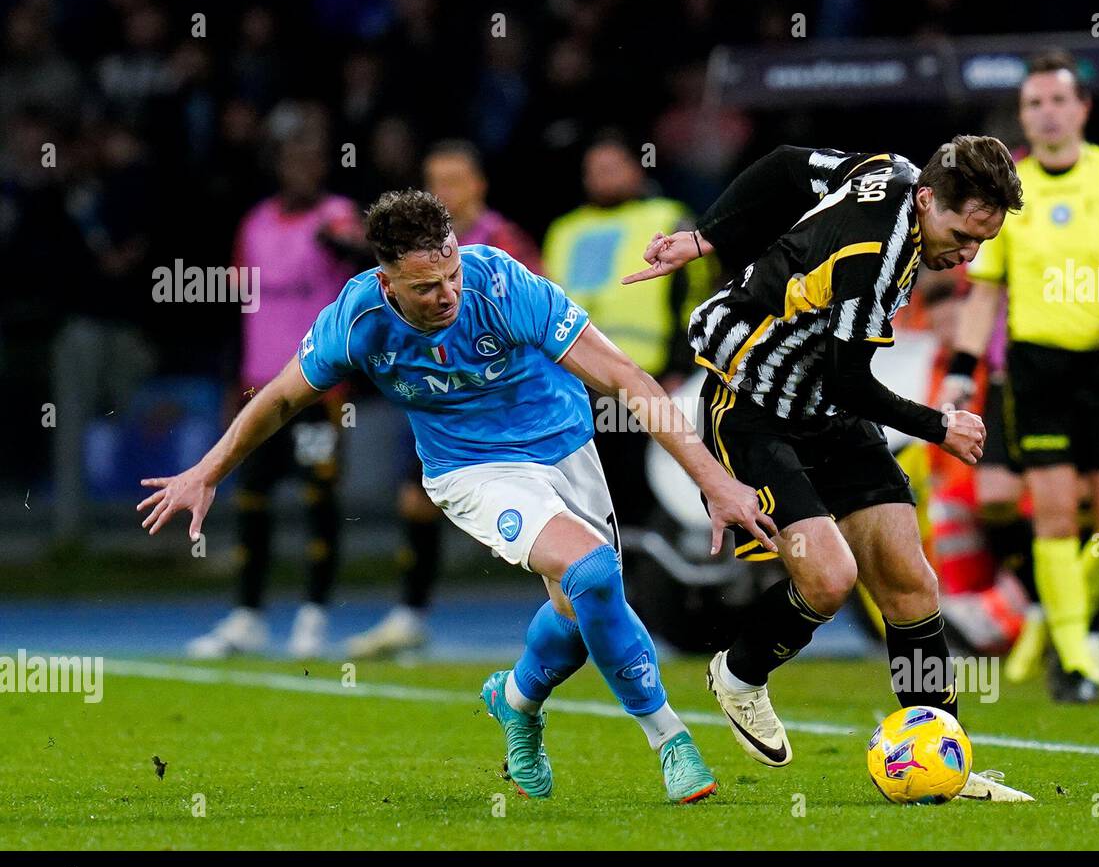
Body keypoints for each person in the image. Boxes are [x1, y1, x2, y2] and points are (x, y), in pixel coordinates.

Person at [138, 189, 776, 803]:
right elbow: (279, 396)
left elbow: (624, 378)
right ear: (387, 283)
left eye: (451, 276)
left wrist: (713, 480)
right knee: (592, 571)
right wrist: (208, 471)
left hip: (566, 449)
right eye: (424, 287)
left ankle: (518, 701)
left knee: (584, 612)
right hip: (471, 470)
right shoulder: (357, 318)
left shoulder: (502, 283)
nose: (446, 295)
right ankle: (669, 736)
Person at [625, 137, 1032, 801]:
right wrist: (940, 425)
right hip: (751, 403)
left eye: (984, 241)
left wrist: (707, 237)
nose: (967, 256)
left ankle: (942, 764)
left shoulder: (885, 169)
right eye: (961, 235)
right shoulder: (872, 255)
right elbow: (852, 382)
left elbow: (787, 163)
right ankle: (740, 671)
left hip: (824, 406)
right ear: (928, 201)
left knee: (909, 582)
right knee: (831, 577)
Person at [941, 51, 1099, 702]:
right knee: (1052, 517)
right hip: (1037, 368)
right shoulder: (1009, 190)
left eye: (1057, 100)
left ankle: (1051, 614)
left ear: (1082, 109)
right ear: (1023, 116)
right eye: (1034, 103)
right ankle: (1077, 663)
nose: (1047, 112)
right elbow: (984, 295)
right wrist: (962, 372)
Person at [347, 140, 545, 660]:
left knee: (554, 512)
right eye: (435, 182)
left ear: (478, 185)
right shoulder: (412, 256)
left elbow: (542, 314)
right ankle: (411, 614)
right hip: (439, 400)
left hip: (509, 403)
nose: (445, 192)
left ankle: (571, 609)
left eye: (455, 180)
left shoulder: (502, 242)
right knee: (415, 499)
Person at [187, 135, 363, 660]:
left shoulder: (337, 216)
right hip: (258, 388)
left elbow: (367, 264)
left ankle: (313, 614)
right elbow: (241, 306)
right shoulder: (255, 224)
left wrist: (345, 246)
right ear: (279, 167)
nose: (303, 170)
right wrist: (230, 386)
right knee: (251, 500)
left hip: (317, 390)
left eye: (312, 159)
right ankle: (248, 616)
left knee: (318, 496)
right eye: (293, 160)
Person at [545, 132, 713, 527]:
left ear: (637, 169)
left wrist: (681, 366)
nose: (602, 177)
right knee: (593, 491)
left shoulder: (668, 217)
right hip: (578, 382)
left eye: (611, 168)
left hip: (649, 377)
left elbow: (693, 297)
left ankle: (653, 581)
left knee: (650, 488)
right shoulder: (564, 230)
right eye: (594, 170)